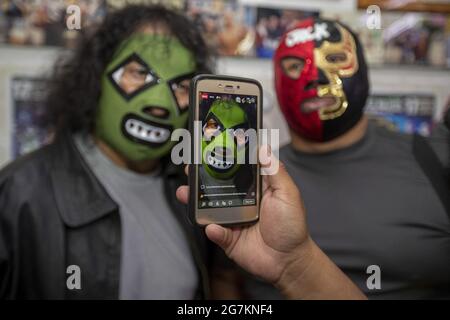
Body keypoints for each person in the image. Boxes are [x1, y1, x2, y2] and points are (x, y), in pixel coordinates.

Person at [0, 5, 214, 299]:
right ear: (95, 78)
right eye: (139, 73)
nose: (160, 103)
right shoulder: (18, 193)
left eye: (181, 87)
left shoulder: (193, 193)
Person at [241, 17, 450, 299]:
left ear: (362, 69)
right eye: (295, 66)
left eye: (335, 58)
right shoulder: (250, 178)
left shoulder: (435, 159)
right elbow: (223, 279)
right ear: (277, 83)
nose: (315, 75)